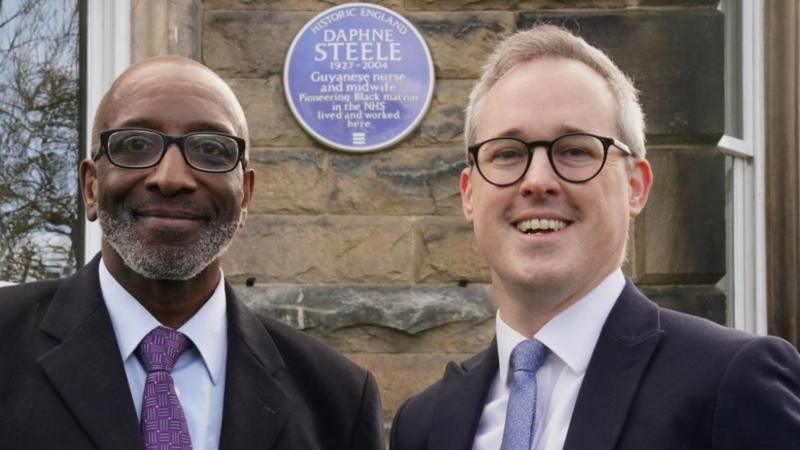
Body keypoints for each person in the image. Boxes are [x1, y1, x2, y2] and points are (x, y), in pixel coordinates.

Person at [390, 24, 800, 450]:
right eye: (508, 153)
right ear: (469, 194)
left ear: (636, 186)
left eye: (575, 150)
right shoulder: (424, 424)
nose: (538, 181)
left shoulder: (730, 382)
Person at [0, 55, 383, 450]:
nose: (171, 178)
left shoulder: (338, 400)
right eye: (135, 144)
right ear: (91, 187)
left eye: (210, 150)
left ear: (245, 194)